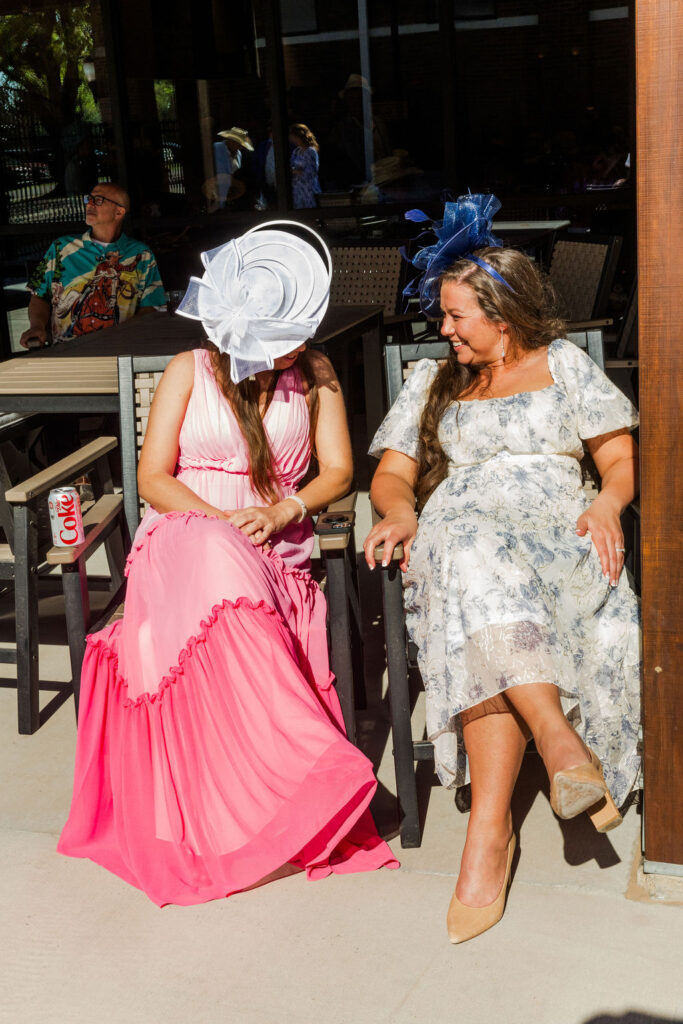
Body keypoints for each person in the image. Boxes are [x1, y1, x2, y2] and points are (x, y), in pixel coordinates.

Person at [58, 222, 398, 906]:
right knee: (216, 558)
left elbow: (337, 472)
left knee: (236, 580)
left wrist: (280, 513)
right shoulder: (190, 369)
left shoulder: (318, 375)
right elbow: (153, 477)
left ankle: (281, 790)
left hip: (277, 542)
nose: (298, 347)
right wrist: (221, 526)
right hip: (186, 535)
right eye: (286, 338)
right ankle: (307, 762)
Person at [364, 195, 640, 944]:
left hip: (555, 534)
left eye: (456, 316)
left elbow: (617, 460)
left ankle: (489, 832)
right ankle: (556, 746)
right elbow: (391, 477)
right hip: (459, 527)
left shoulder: (564, 366)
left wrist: (610, 504)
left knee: (474, 590)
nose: (442, 328)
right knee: (470, 548)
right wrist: (399, 511)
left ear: (502, 317)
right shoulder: (432, 380)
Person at [22, 183, 165, 348]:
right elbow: (39, 295)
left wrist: (123, 335)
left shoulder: (142, 253)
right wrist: (37, 326)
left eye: (98, 200)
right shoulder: (61, 248)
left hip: (123, 351)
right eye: (88, 199)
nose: (89, 204)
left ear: (119, 212)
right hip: (68, 352)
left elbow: (152, 307)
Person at [289, 123, 321, 209]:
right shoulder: (296, 151)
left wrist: (298, 171)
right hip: (298, 192)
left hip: (308, 191)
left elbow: (312, 172)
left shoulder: (310, 151)